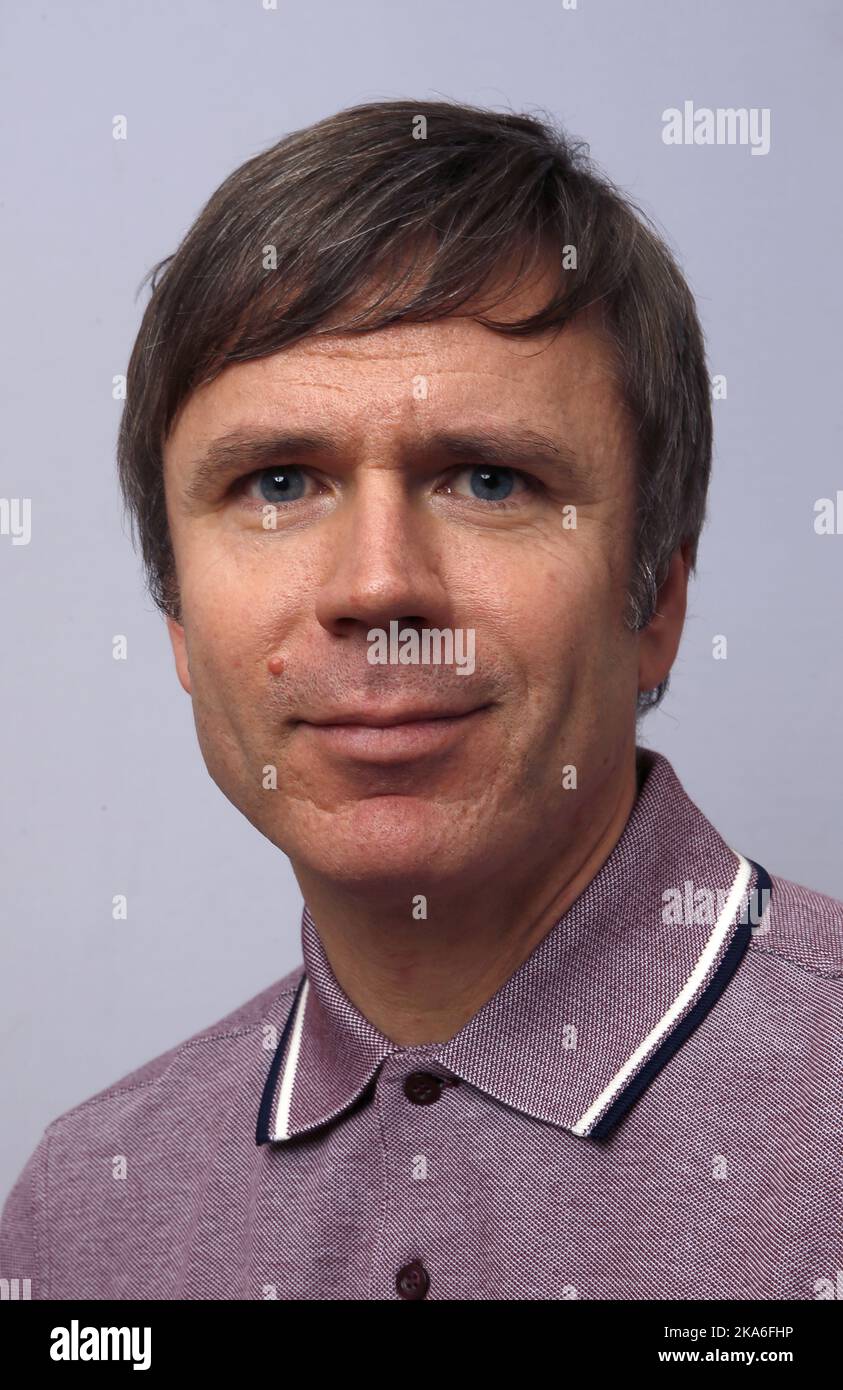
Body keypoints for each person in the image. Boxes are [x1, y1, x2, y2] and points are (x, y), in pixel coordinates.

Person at [2, 99, 840, 1301]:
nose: (378, 586)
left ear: (654, 599)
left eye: (488, 478)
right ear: (181, 619)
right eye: (277, 481)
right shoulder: (82, 1215)